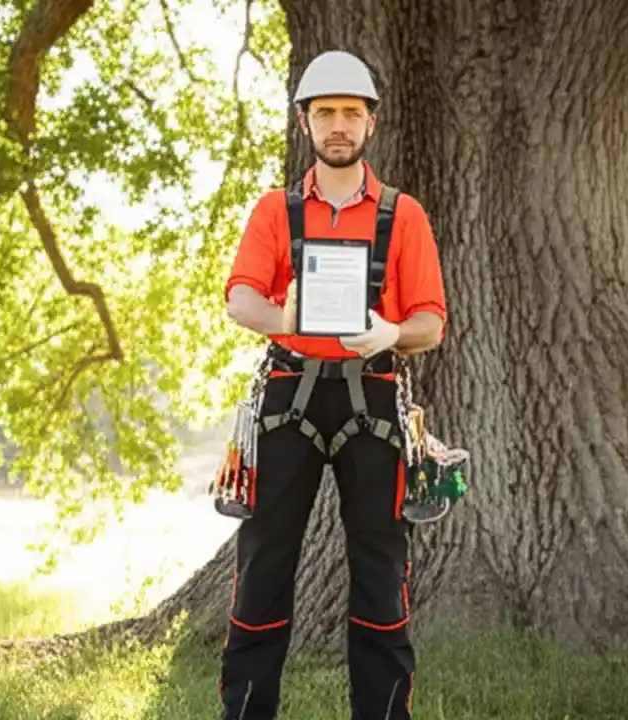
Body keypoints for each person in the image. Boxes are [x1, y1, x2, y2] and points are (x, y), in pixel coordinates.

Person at [219, 49, 448, 720]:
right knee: (263, 565)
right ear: (305, 123)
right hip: (288, 393)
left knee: (380, 570)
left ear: (371, 123)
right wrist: (280, 315)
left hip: (374, 395)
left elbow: (431, 323)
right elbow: (240, 301)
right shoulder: (274, 211)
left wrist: (391, 333)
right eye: (326, 113)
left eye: (352, 112)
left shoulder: (404, 216)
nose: (339, 125)